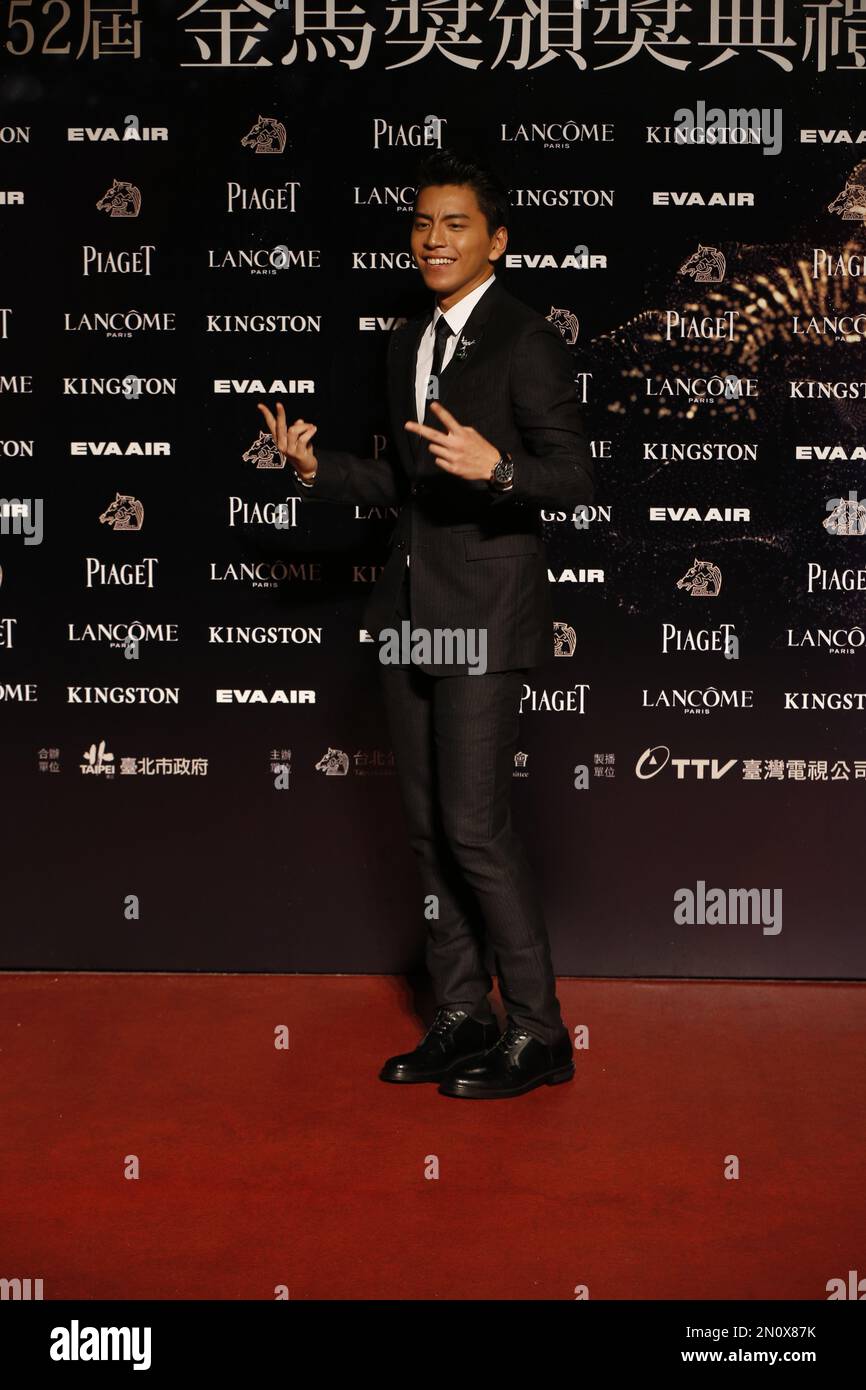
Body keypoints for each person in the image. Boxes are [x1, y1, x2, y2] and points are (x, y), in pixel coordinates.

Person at [258, 148, 595, 1099]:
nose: (433, 238)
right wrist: (321, 473)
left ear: (497, 239)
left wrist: (500, 469)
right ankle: (461, 1011)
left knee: (474, 826)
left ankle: (540, 1032)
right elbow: (406, 486)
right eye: (421, 222)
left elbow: (574, 477)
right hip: (409, 610)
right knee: (424, 830)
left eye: (455, 224)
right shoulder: (407, 344)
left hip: (485, 613)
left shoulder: (527, 340)